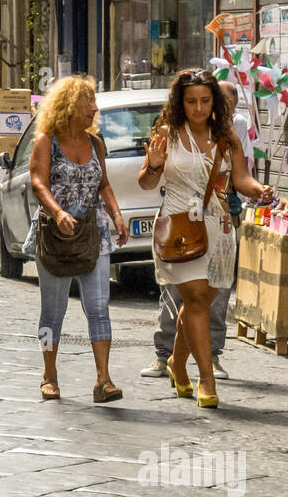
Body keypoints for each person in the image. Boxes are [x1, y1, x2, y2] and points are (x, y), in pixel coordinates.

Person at [139, 69, 272, 408]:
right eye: (191, 101)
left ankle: (176, 364)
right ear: (180, 103)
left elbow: (241, 179)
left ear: (214, 101)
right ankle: (206, 380)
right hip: (180, 226)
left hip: (219, 227)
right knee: (196, 299)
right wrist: (153, 166)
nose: (198, 108)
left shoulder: (226, 138)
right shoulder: (166, 134)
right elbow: (146, 183)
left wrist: (260, 191)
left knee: (198, 303)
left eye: (204, 100)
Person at [25, 75, 130, 403]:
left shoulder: (96, 143)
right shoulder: (47, 140)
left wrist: (116, 214)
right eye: (90, 103)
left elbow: (105, 185)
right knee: (52, 313)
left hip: (93, 231)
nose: (95, 109)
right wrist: (58, 212)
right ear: (69, 106)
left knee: (99, 307)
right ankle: (49, 374)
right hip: (55, 235)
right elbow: (37, 182)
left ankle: (103, 380)